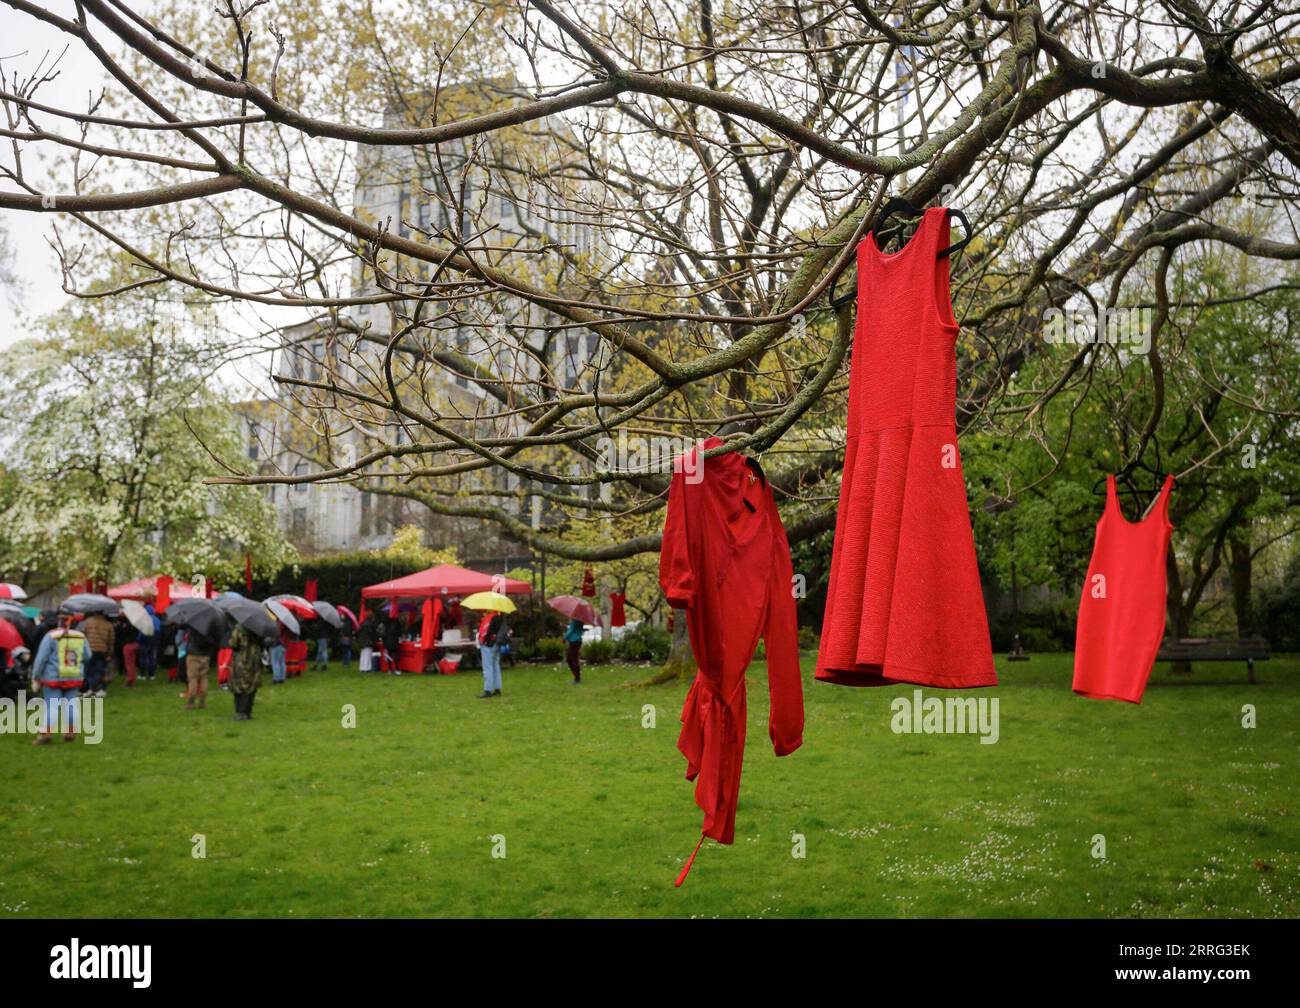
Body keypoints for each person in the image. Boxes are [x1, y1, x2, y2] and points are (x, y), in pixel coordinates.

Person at [29, 614, 90, 744]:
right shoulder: (80, 637)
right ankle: (70, 731)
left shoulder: (51, 636)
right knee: (71, 704)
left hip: (53, 677)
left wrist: (36, 677)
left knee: (52, 705)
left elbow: (41, 658)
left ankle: (47, 733)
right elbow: (87, 655)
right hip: (74, 675)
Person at [227, 620, 264, 721]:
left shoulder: (239, 629)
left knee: (240, 685)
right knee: (252, 685)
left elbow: (233, 644)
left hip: (241, 660)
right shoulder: (259, 629)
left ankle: (241, 712)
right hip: (255, 659)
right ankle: (248, 712)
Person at [183, 620, 219, 710]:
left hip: (194, 654)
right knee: (203, 677)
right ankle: (202, 701)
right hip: (206, 655)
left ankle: (191, 702)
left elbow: (183, 627)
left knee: (193, 678)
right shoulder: (211, 626)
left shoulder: (194, 625)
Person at [81, 610, 114, 698]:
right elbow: (111, 640)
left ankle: (88, 689)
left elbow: (82, 635)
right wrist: (109, 653)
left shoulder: (87, 622)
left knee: (88, 670)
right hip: (102, 651)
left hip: (89, 649)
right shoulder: (108, 624)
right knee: (99, 670)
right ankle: (96, 688)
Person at [476, 611, 505, 698]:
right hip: (497, 644)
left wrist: (482, 641)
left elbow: (485, 632)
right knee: (496, 666)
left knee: (487, 667)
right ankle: (497, 689)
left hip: (488, 644)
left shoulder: (489, 618)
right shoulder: (500, 617)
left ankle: (487, 690)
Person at [563, 617, 584, 684]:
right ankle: (576, 677)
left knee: (572, 659)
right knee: (571, 659)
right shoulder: (580, 619)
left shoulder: (576, 619)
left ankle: (577, 679)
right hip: (576, 641)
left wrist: (565, 638)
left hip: (575, 641)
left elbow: (571, 630)